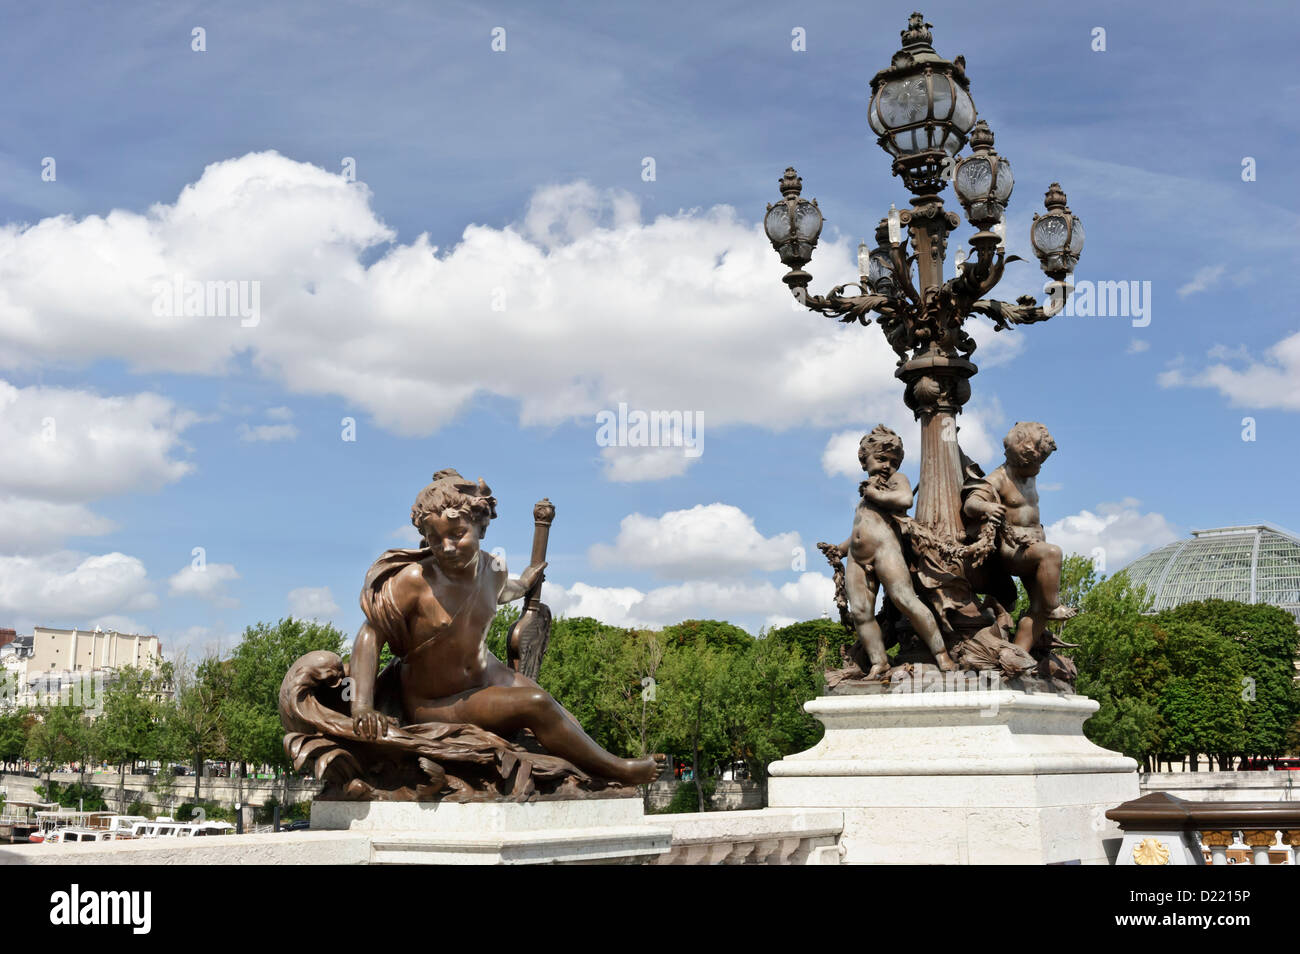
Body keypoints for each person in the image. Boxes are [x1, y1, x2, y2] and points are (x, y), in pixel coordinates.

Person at [347, 469, 657, 786]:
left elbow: (504, 589)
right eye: (435, 539)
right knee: (535, 706)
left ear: (479, 526)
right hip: (435, 703)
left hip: (486, 674)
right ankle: (618, 770)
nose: (447, 547)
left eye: (456, 534)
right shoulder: (414, 580)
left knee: (562, 716)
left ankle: (589, 774)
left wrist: (527, 581)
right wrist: (361, 707)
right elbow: (370, 635)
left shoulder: (493, 568)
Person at [834, 426, 954, 679]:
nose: (888, 466)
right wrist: (841, 549)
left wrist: (876, 493)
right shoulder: (866, 495)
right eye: (881, 459)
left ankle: (942, 654)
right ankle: (879, 662)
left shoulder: (894, 482)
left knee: (905, 599)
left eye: (893, 462)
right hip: (857, 557)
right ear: (863, 460)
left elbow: (905, 500)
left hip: (885, 550)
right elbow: (860, 528)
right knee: (860, 612)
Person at [962, 422, 1075, 650]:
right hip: (1013, 550)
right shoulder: (999, 478)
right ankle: (1054, 606)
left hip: (1034, 548)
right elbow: (971, 503)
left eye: (1041, 462)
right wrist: (988, 508)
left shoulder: (1031, 475)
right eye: (1035, 462)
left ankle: (1019, 655)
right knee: (1053, 553)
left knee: (1039, 610)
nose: (1038, 467)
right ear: (1019, 457)